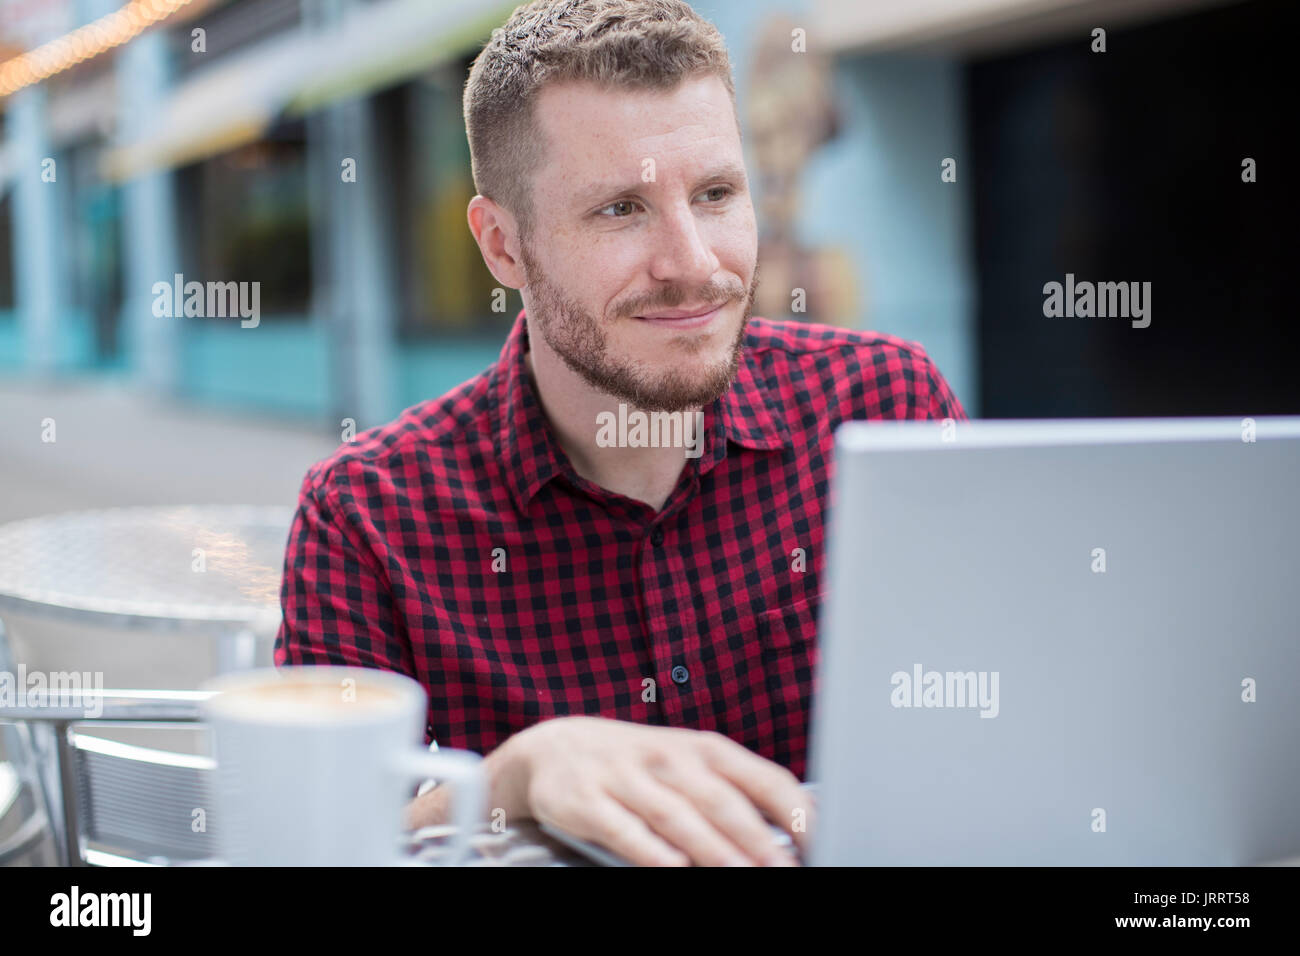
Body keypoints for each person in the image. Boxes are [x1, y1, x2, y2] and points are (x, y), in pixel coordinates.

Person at [277, 0, 965, 866]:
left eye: (716, 194)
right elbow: (310, 844)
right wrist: (512, 781)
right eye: (620, 210)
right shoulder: (367, 517)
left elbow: (1005, 728)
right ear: (502, 247)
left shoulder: (882, 405)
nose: (694, 264)